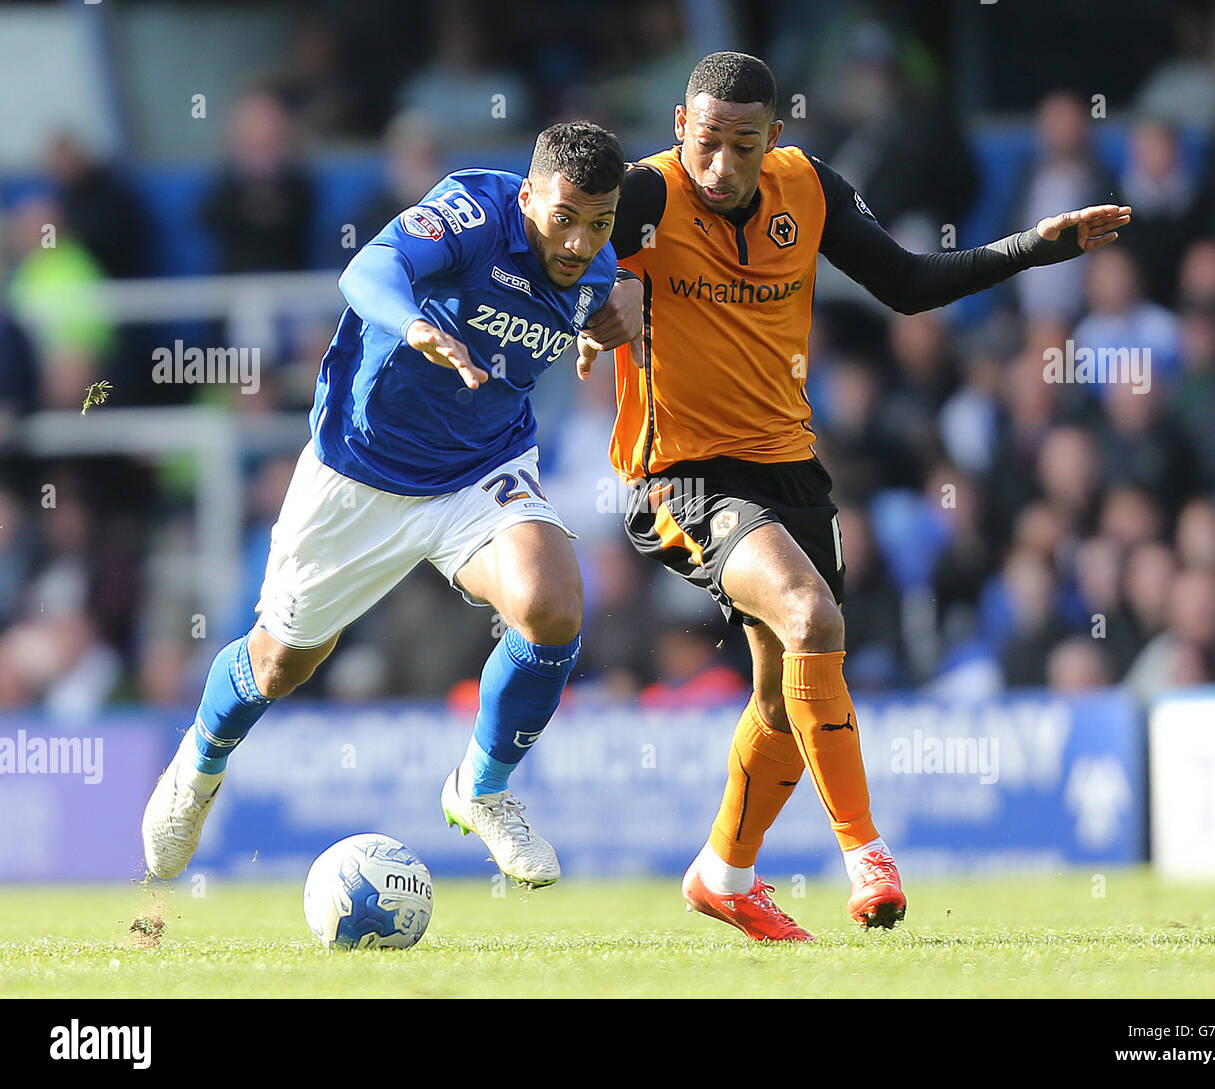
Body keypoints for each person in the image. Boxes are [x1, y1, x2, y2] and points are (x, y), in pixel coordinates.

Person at [585, 52, 1129, 940]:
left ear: (776, 140)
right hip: (679, 474)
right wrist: (601, 300)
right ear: (680, 125)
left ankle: (723, 870)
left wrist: (1042, 243)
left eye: (744, 146)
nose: (721, 166)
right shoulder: (644, 195)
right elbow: (564, 254)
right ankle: (867, 856)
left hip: (790, 470)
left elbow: (910, 286)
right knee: (812, 617)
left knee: (777, 696)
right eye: (707, 142)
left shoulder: (810, 189)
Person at [143, 121, 627, 889]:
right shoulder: (472, 211)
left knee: (553, 602)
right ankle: (197, 763)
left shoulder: (596, 266)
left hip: (481, 466)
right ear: (529, 192)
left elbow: (614, 292)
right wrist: (417, 327)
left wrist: (619, 309)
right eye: (562, 217)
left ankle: (483, 786)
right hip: (360, 469)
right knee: (282, 662)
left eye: (597, 223)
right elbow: (367, 271)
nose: (576, 242)